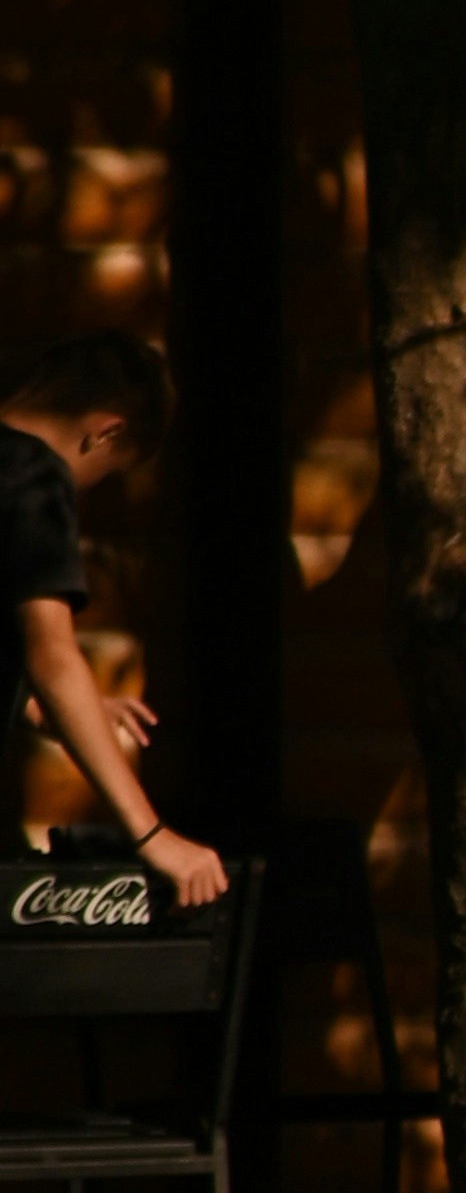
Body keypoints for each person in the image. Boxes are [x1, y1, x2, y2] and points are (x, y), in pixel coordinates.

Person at [5, 330, 226, 908]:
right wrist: (153, 836)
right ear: (107, 430)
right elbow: (52, 655)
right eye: (107, 472)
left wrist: (39, 708)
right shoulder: (32, 475)